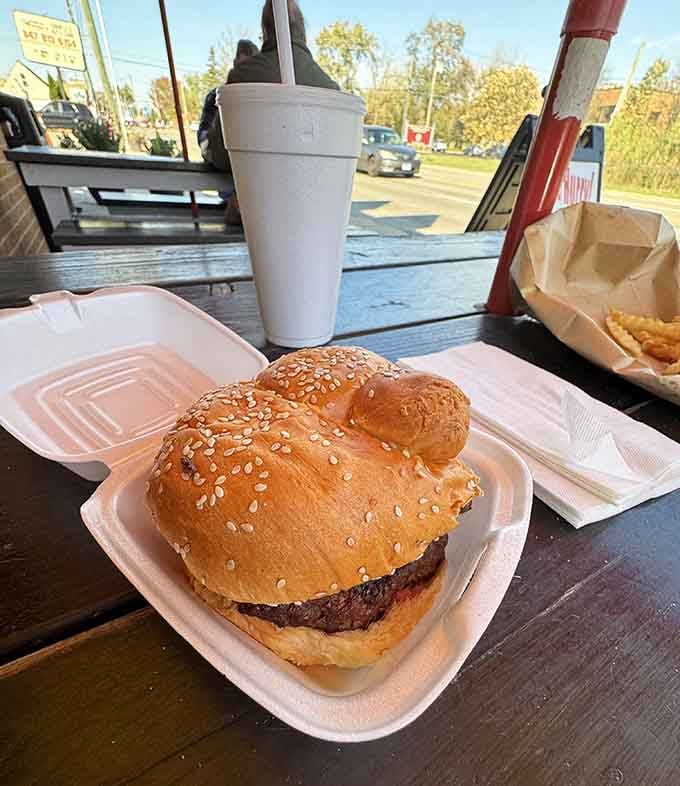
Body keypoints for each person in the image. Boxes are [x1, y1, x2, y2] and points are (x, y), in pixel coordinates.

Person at [203, 0, 340, 225]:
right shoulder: (330, 87)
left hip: (251, 216)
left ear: (265, 32)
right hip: (310, 217)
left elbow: (221, 157)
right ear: (303, 32)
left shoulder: (241, 77)